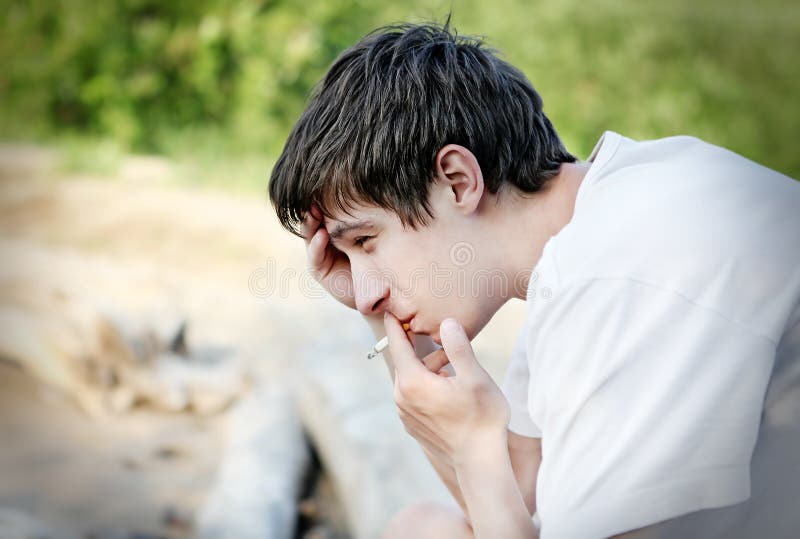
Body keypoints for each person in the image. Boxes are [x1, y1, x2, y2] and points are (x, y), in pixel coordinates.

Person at [267, 20, 800, 539]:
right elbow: (518, 493)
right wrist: (386, 328)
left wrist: (474, 446)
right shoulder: (592, 230)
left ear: (458, 181)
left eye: (365, 242)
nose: (366, 289)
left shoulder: (614, 273)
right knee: (423, 529)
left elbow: (498, 492)